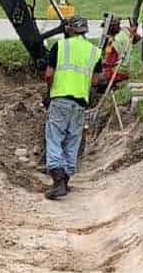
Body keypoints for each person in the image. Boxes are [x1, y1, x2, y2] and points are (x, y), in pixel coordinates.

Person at [42, 14, 102, 200]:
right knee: (73, 139)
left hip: (60, 99)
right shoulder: (94, 51)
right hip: (80, 103)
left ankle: (58, 177)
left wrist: (49, 92)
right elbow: (95, 81)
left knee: (54, 136)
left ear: (69, 29)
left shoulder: (60, 46)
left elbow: (49, 75)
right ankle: (65, 178)